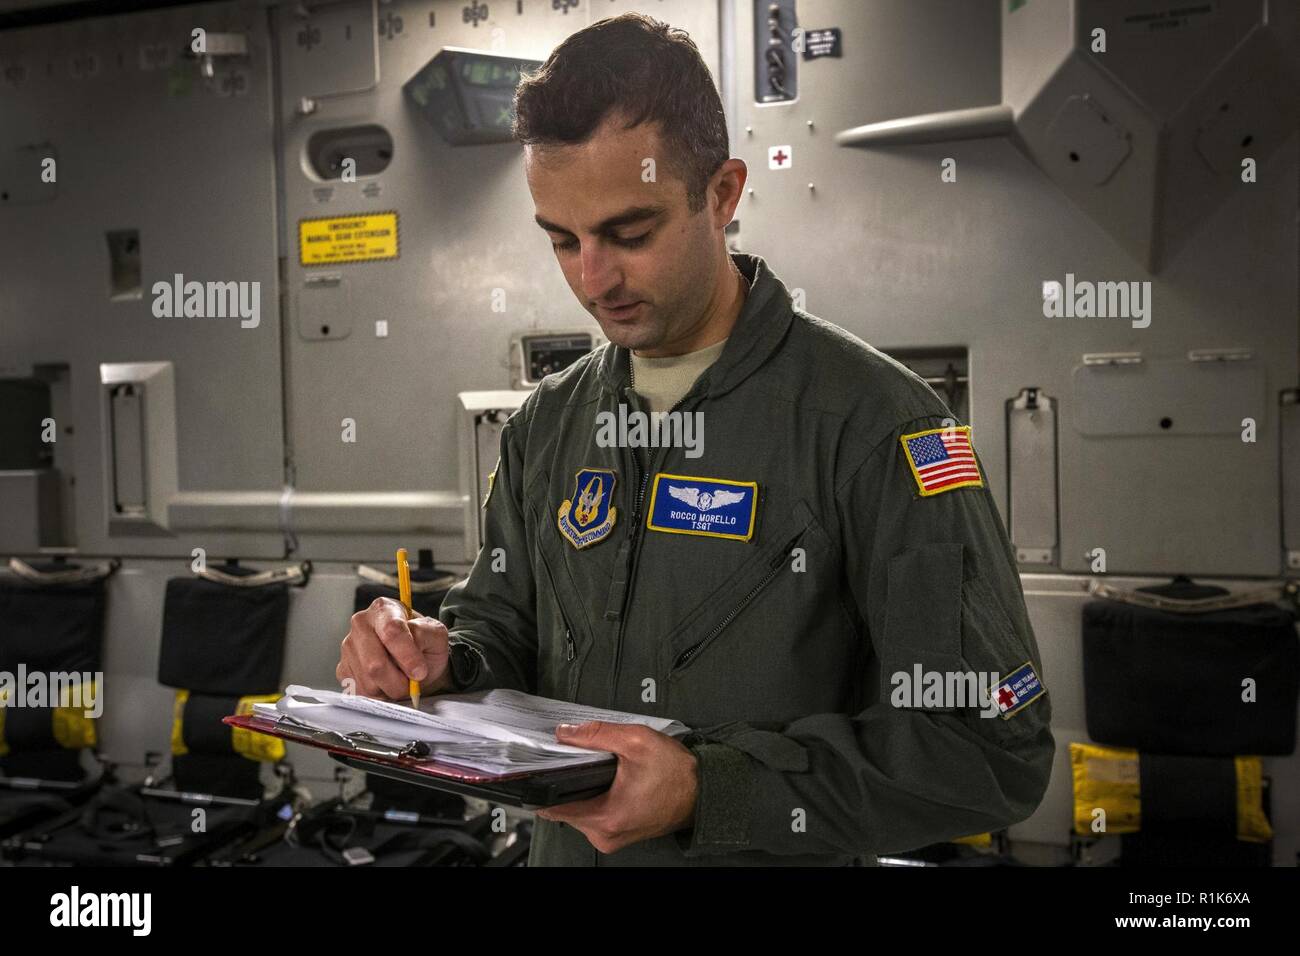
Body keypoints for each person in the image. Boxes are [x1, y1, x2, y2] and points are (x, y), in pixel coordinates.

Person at [337, 12, 1054, 866]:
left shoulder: (880, 427)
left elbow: (988, 752)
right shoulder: (547, 425)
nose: (593, 279)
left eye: (629, 234)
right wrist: (437, 659)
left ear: (722, 194)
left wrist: (710, 789)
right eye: (562, 240)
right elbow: (501, 633)